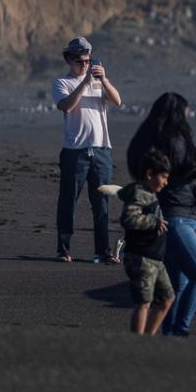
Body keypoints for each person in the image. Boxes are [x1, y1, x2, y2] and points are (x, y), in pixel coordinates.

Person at [127, 92, 196, 337]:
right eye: (186, 112)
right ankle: (180, 328)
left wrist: (195, 157)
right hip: (177, 215)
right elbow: (190, 173)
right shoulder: (174, 138)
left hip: (165, 213)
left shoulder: (150, 139)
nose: (188, 117)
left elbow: (176, 169)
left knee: (178, 284)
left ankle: (167, 335)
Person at [52, 37, 122, 263]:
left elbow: (117, 101)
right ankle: (63, 250)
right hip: (75, 151)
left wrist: (105, 80)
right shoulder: (62, 82)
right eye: (80, 62)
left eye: (88, 61)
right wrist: (84, 82)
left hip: (101, 149)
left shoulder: (99, 81)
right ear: (69, 60)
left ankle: (103, 252)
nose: (84, 66)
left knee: (101, 204)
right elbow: (66, 106)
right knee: (68, 201)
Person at [119, 148, 174, 336]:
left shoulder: (149, 193)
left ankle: (147, 339)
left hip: (155, 258)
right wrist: (153, 222)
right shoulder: (140, 193)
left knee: (167, 298)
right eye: (164, 177)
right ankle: (138, 343)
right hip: (141, 257)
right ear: (150, 174)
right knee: (143, 303)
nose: (166, 182)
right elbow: (128, 218)